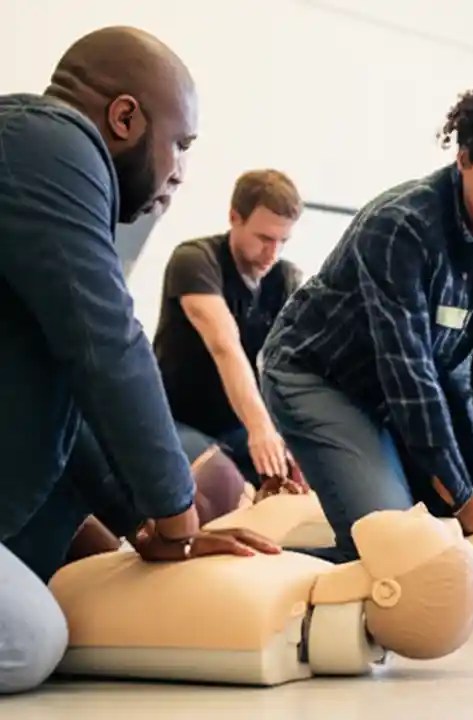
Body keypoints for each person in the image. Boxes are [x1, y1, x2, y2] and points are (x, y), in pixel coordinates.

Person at [0, 27, 276, 695]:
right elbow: (108, 344)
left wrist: (140, 520)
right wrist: (176, 513)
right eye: (181, 144)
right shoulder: (50, 143)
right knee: (31, 639)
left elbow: (75, 391)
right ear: (124, 117)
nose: (181, 171)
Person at [259, 80, 473, 562]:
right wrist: (464, 500)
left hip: (394, 387)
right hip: (316, 374)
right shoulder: (401, 224)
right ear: (464, 158)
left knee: (456, 529)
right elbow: (411, 375)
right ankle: (253, 564)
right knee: (398, 549)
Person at [153, 169, 307, 493]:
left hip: (235, 427)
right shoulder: (195, 260)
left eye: (283, 241)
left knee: (294, 484)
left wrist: (293, 440)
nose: (273, 253)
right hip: (172, 419)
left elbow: (295, 368)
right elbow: (225, 346)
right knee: (226, 487)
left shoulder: (286, 279)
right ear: (234, 217)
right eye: (264, 239)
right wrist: (261, 428)